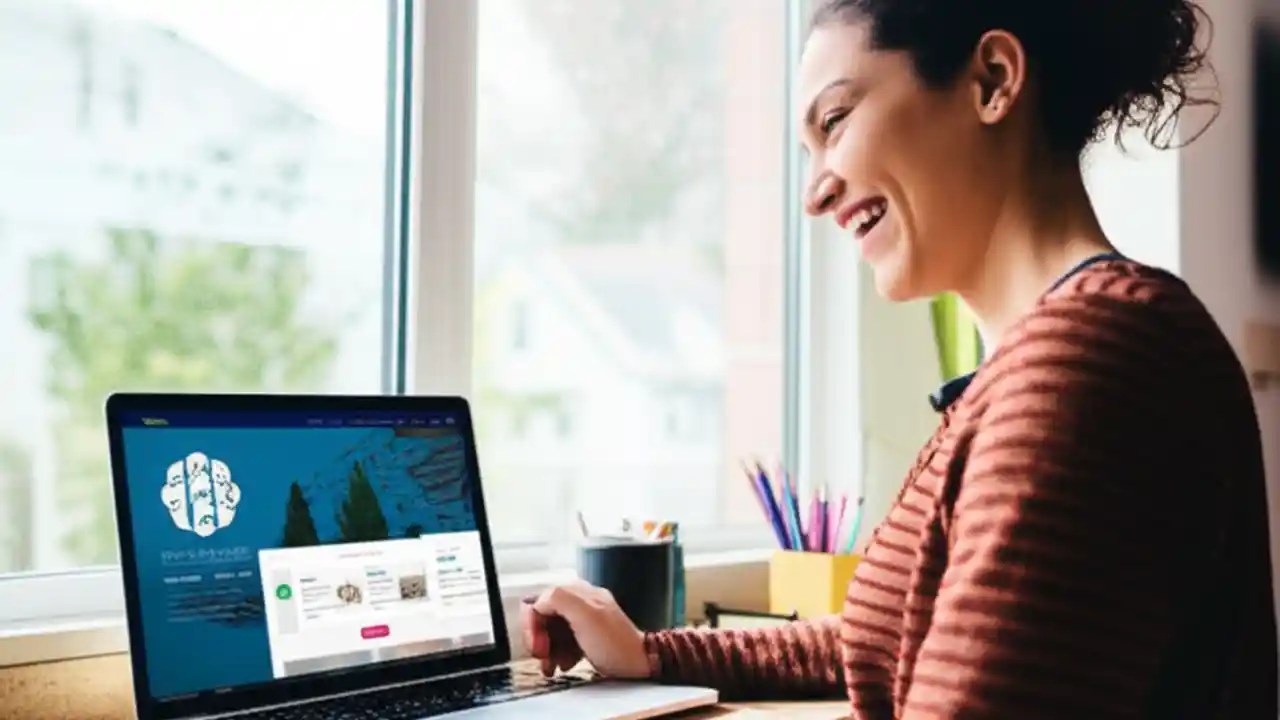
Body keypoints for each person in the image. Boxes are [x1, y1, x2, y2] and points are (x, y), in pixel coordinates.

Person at [521, 1, 1279, 717]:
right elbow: (882, 637)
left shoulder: (1082, 362)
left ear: (992, 82)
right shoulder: (1047, 360)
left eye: (837, 120)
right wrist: (654, 655)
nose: (815, 193)